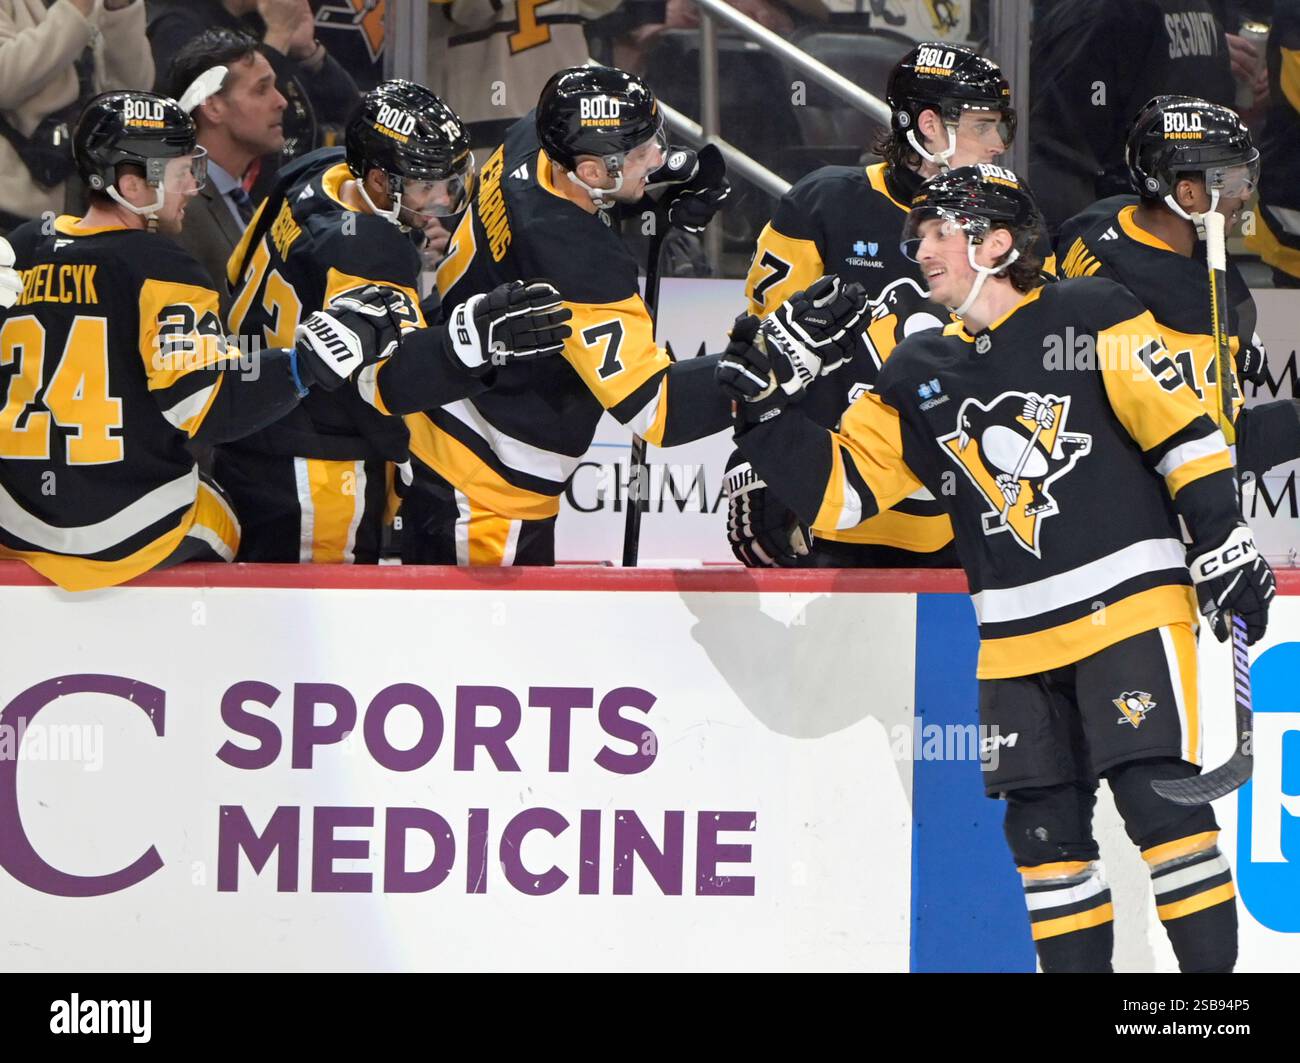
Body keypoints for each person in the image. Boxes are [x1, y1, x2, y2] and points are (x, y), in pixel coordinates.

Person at [718, 164, 1274, 973]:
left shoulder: (1093, 311)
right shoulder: (912, 374)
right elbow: (844, 497)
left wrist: (1222, 535)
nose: (921, 248)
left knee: (1157, 802)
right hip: (1011, 639)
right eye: (920, 234)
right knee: (1041, 833)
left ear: (998, 243)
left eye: (941, 231)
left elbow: (1184, 427)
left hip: (1127, 609)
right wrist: (764, 417)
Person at [0, 90, 400, 590]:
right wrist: (309, 361)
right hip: (117, 536)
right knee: (231, 517)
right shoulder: (165, 269)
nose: (193, 185)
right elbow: (209, 409)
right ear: (131, 185)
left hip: (15, 521)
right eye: (181, 172)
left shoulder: (22, 248)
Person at [220, 79, 571, 564]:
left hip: (244, 428)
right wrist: (472, 341)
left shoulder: (314, 170)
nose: (439, 203)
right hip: (318, 472)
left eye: (449, 182)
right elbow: (391, 384)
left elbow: (235, 271)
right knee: (316, 621)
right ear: (381, 181)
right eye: (425, 185)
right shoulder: (371, 249)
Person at [407, 64, 736, 566]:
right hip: (488, 487)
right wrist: (771, 365)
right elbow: (656, 409)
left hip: (444, 428)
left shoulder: (531, 136)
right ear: (590, 171)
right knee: (484, 644)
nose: (660, 156)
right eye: (643, 150)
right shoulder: (579, 261)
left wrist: (647, 195)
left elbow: (565, 208)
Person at [730, 42, 1029, 570]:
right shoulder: (825, 204)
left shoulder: (1006, 218)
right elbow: (761, 354)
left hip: (965, 515)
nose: (998, 145)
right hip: (835, 504)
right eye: (984, 126)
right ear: (931, 125)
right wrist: (758, 465)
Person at [1057, 95, 1300, 482]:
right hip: (1136, 500)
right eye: (1232, 179)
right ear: (1187, 194)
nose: (1244, 193)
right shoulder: (1190, 315)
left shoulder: (1103, 216)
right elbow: (1221, 449)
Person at [1028, 0, 1240, 236]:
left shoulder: (1101, 12)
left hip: (1126, 216)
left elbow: (1061, 146)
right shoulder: (1198, 8)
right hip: (1180, 208)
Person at [146, 0, 360, 174]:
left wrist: (308, 52)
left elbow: (352, 114)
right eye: (262, 89)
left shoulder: (259, 22)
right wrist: (279, 35)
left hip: (289, 177)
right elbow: (185, 116)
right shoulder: (177, 25)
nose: (280, 102)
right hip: (212, 179)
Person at [0, 0, 154, 232]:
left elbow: (134, 95)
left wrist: (120, 11)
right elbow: (4, 80)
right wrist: (75, 9)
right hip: (14, 206)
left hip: (91, 197)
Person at [166, 28, 288, 316]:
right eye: (261, 89)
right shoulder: (178, 208)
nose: (281, 101)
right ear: (213, 107)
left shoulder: (246, 199)